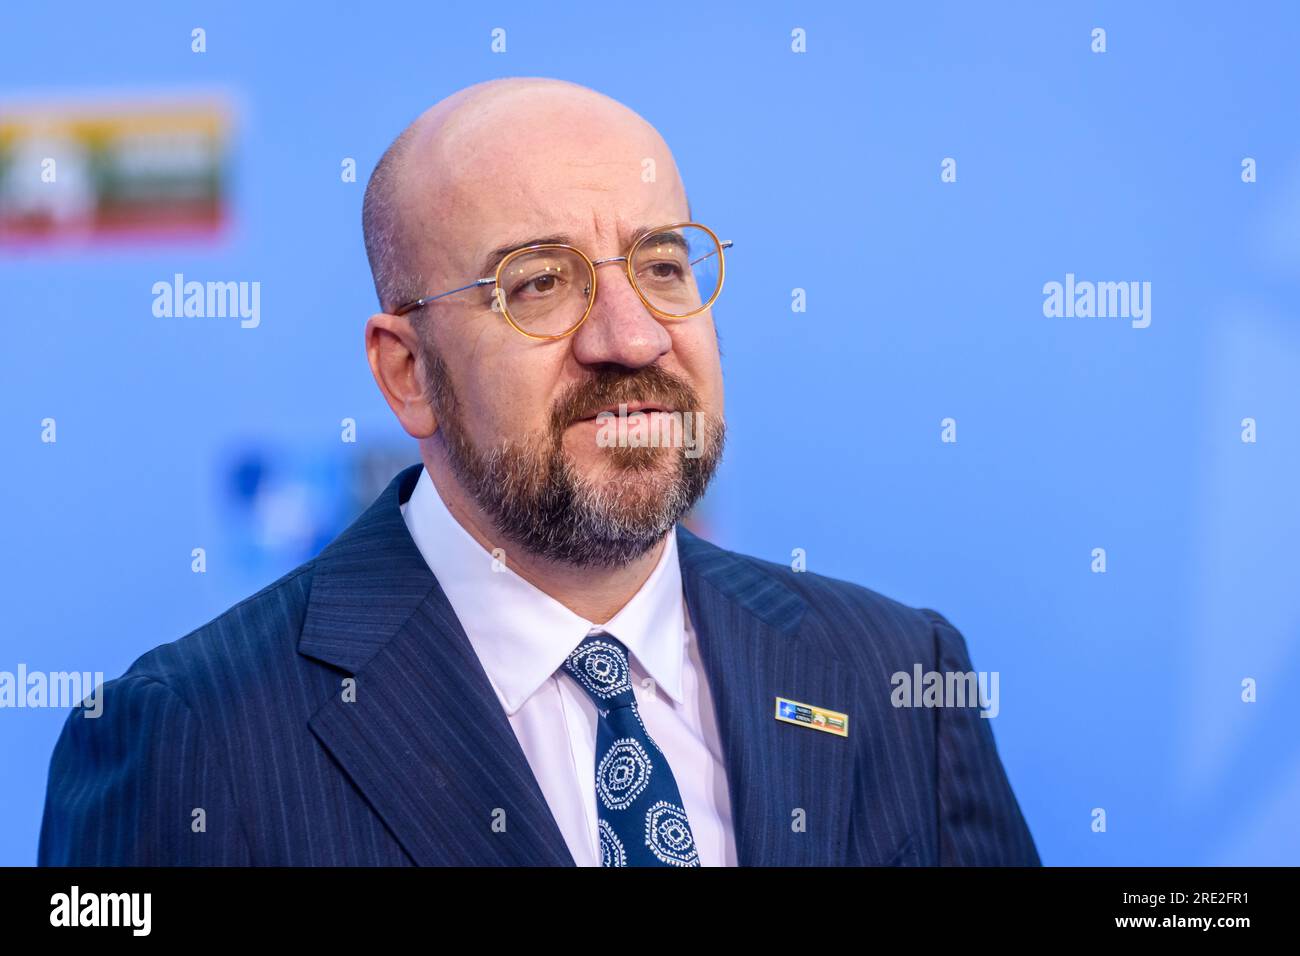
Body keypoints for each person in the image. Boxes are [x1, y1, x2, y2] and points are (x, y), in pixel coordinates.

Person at [39, 77, 1039, 867]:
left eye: (660, 265)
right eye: (540, 282)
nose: (634, 337)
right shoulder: (189, 736)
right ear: (407, 371)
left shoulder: (902, 674)